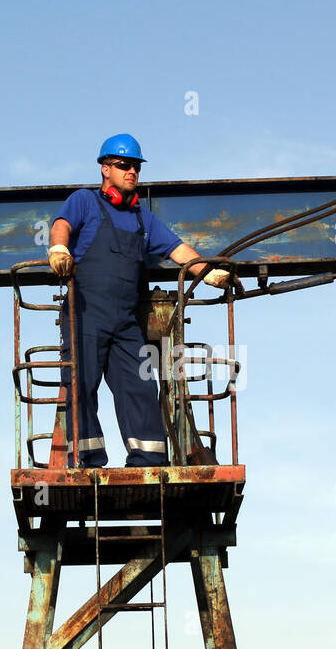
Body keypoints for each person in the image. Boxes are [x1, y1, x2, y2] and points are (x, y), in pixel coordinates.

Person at [47, 134, 233, 468]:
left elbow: (180, 251)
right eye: (123, 165)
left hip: (125, 323)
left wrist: (209, 274)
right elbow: (62, 224)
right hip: (85, 314)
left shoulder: (142, 220)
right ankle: (86, 460)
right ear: (105, 168)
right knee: (81, 383)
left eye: (135, 166)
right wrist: (58, 248)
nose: (131, 171)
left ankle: (149, 459)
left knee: (141, 385)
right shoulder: (84, 202)